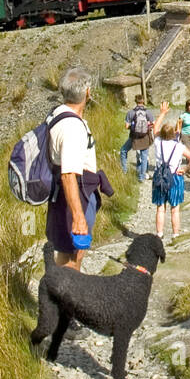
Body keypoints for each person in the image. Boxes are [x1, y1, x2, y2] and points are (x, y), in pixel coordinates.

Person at [45, 67, 113, 271]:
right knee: (74, 254)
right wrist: (78, 217)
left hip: (64, 194)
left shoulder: (57, 114)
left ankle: (59, 295)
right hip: (75, 194)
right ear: (88, 93)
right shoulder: (72, 127)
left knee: (66, 251)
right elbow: (68, 175)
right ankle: (67, 299)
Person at [151, 117, 190, 241]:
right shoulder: (179, 146)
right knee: (175, 208)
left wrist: (163, 113)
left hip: (159, 177)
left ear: (161, 134)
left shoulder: (157, 142)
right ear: (173, 135)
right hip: (175, 177)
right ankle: (175, 235)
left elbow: (155, 128)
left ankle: (159, 234)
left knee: (160, 208)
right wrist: (185, 169)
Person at [120, 94, 153, 181]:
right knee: (144, 156)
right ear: (143, 101)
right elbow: (152, 124)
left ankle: (124, 171)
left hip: (134, 137)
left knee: (123, 150)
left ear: (135, 101)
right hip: (145, 137)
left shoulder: (131, 112)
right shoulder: (148, 112)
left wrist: (134, 127)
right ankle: (142, 177)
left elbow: (126, 126)